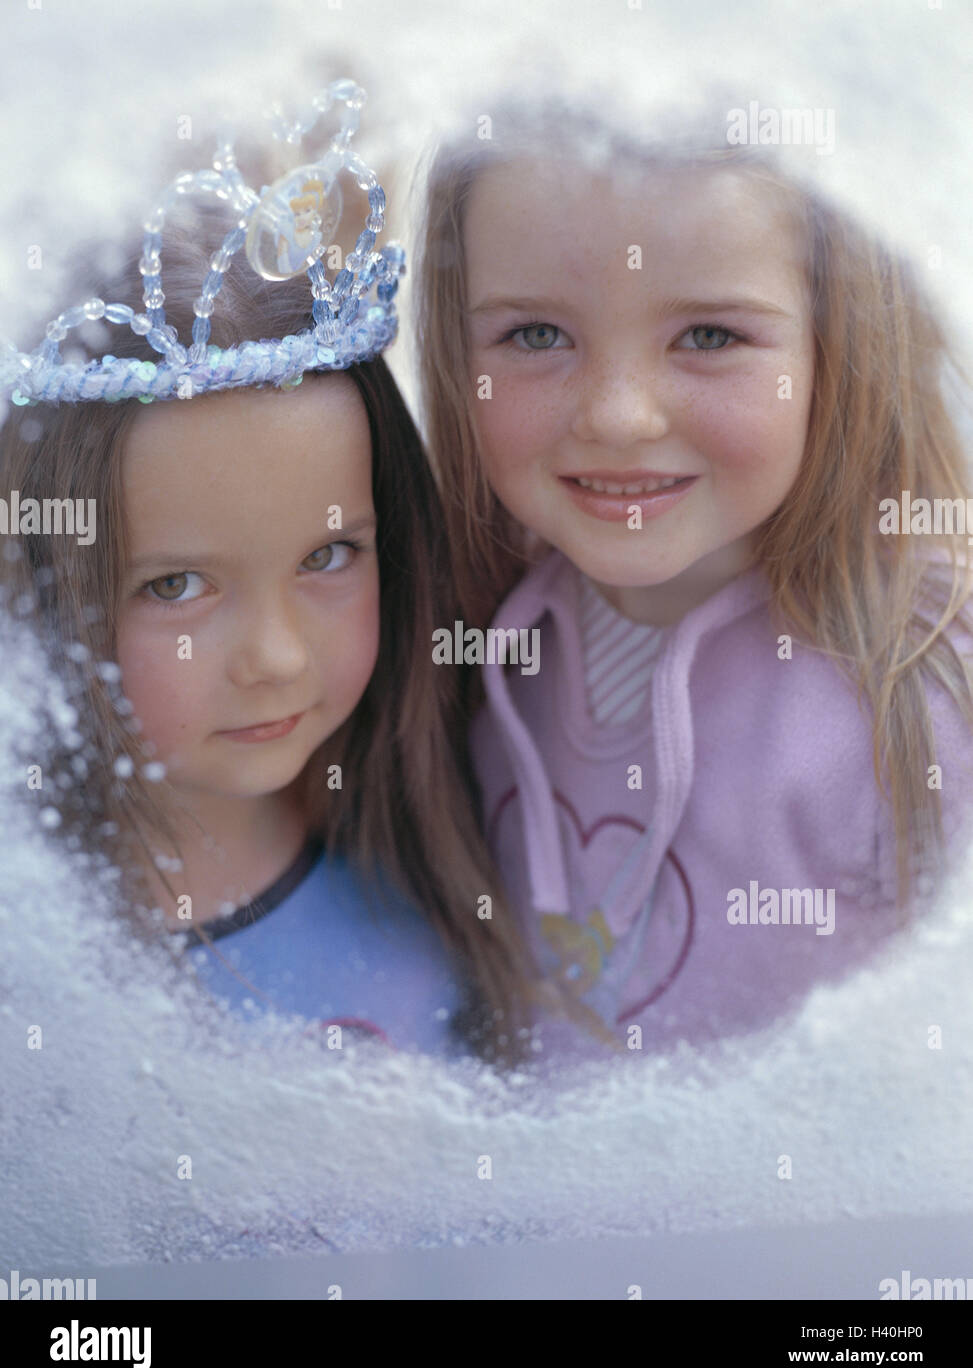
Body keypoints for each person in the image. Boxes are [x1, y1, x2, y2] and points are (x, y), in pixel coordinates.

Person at [414, 95, 973, 1055]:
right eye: (537, 336)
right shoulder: (479, 629)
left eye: (709, 336)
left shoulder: (926, 678)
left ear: (837, 343)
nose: (619, 416)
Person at [0, 83, 540, 1067]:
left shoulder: (448, 829)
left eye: (329, 556)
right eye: (175, 586)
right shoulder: (34, 974)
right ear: (41, 593)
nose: (276, 656)